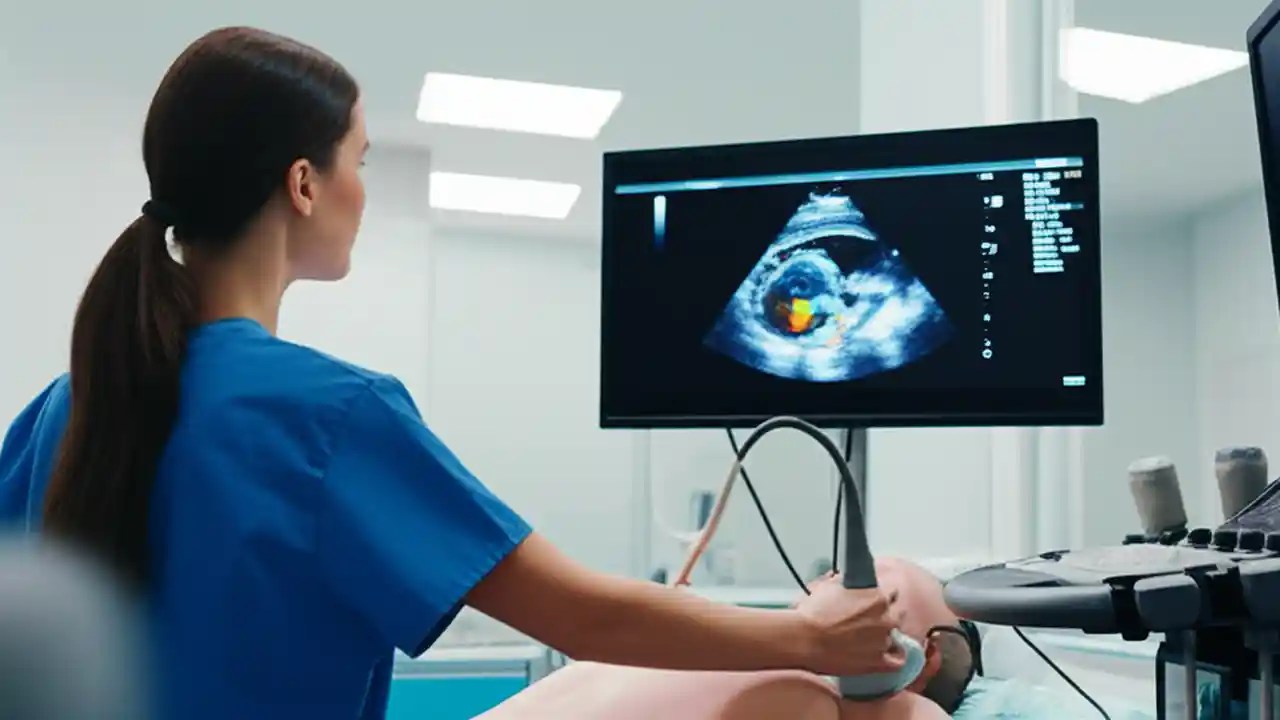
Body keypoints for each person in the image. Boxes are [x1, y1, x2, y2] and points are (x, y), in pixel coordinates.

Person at [0, 26, 907, 720]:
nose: (364, 188)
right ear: (303, 184)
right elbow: (579, 617)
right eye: (360, 160)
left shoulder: (58, 407)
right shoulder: (332, 416)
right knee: (794, 699)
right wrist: (810, 635)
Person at [475, 557, 980, 720]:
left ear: (922, 658)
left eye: (872, 592)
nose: (828, 586)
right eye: (832, 575)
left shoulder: (807, 695)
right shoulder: (754, 664)